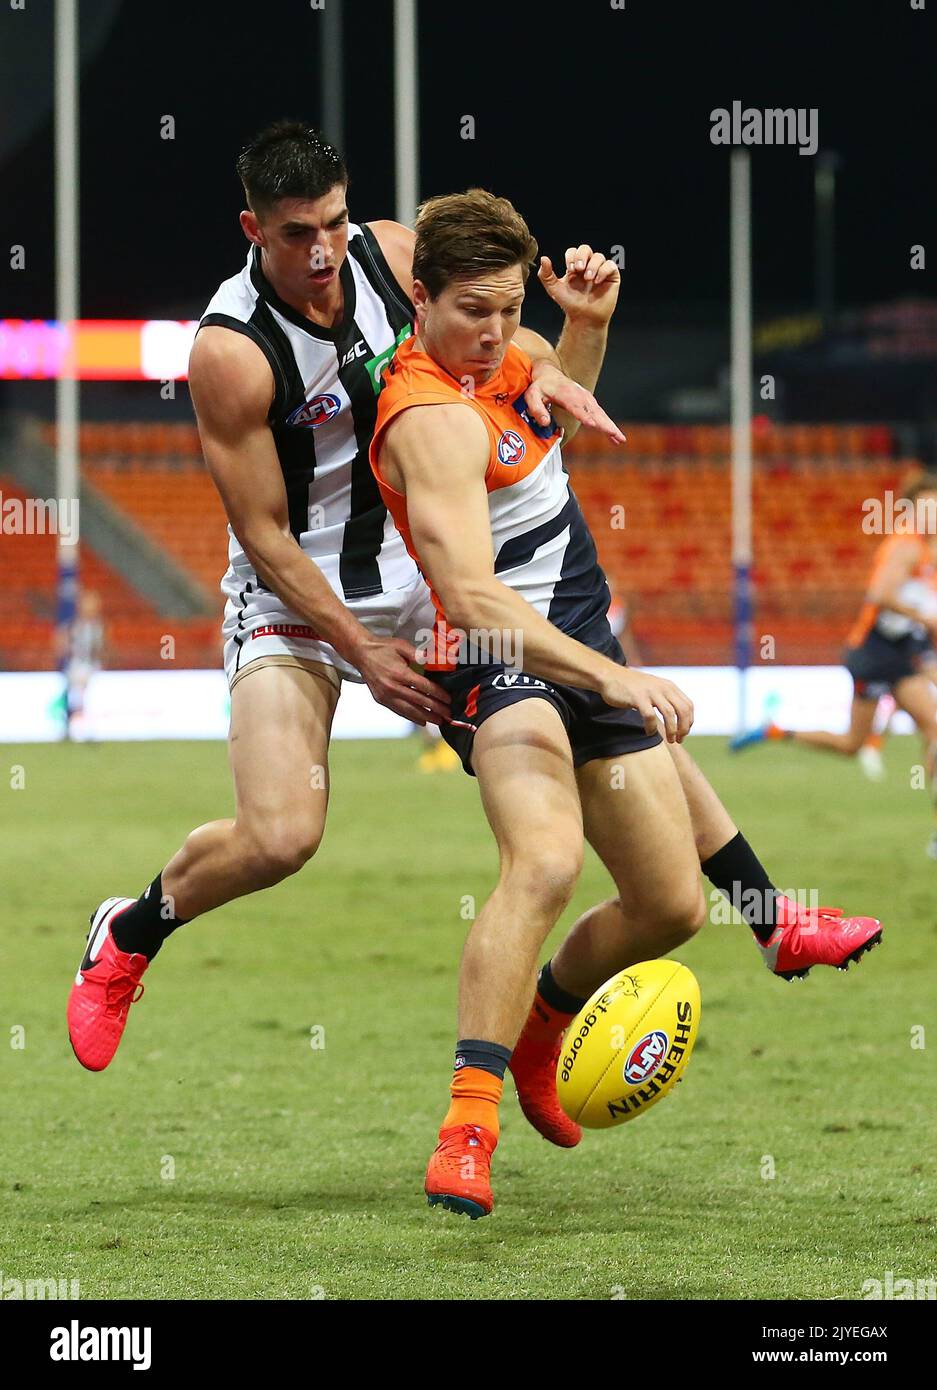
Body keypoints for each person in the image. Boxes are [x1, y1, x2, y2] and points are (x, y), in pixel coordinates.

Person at [65, 121, 626, 1072]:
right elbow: (264, 535)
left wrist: (568, 346)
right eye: (294, 234)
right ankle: (131, 932)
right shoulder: (231, 351)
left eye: (330, 222)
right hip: (297, 595)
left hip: (423, 579)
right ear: (252, 227)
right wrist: (362, 655)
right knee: (283, 834)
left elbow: (501, 346)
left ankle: (736, 907)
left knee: (580, 755)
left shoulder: (392, 256)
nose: (321, 250)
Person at [370, 189, 883, 1219]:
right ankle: (465, 1129)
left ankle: (546, 1029)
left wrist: (582, 334)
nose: (497, 332)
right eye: (474, 310)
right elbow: (471, 595)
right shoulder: (427, 414)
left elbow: (539, 419)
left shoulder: (504, 358)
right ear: (418, 300)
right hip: (495, 657)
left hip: (574, 633)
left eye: (511, 309)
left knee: (668, 905)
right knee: (548, 857)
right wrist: (611, 676)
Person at [732, 474, 937, 860]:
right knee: (852, 745)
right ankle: (778, 731)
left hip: (899, 653)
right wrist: (924, 619)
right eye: (927, 507)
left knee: (931, 728)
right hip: (875, 655)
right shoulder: (906, 546)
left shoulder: (927, 550)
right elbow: (880, 595)